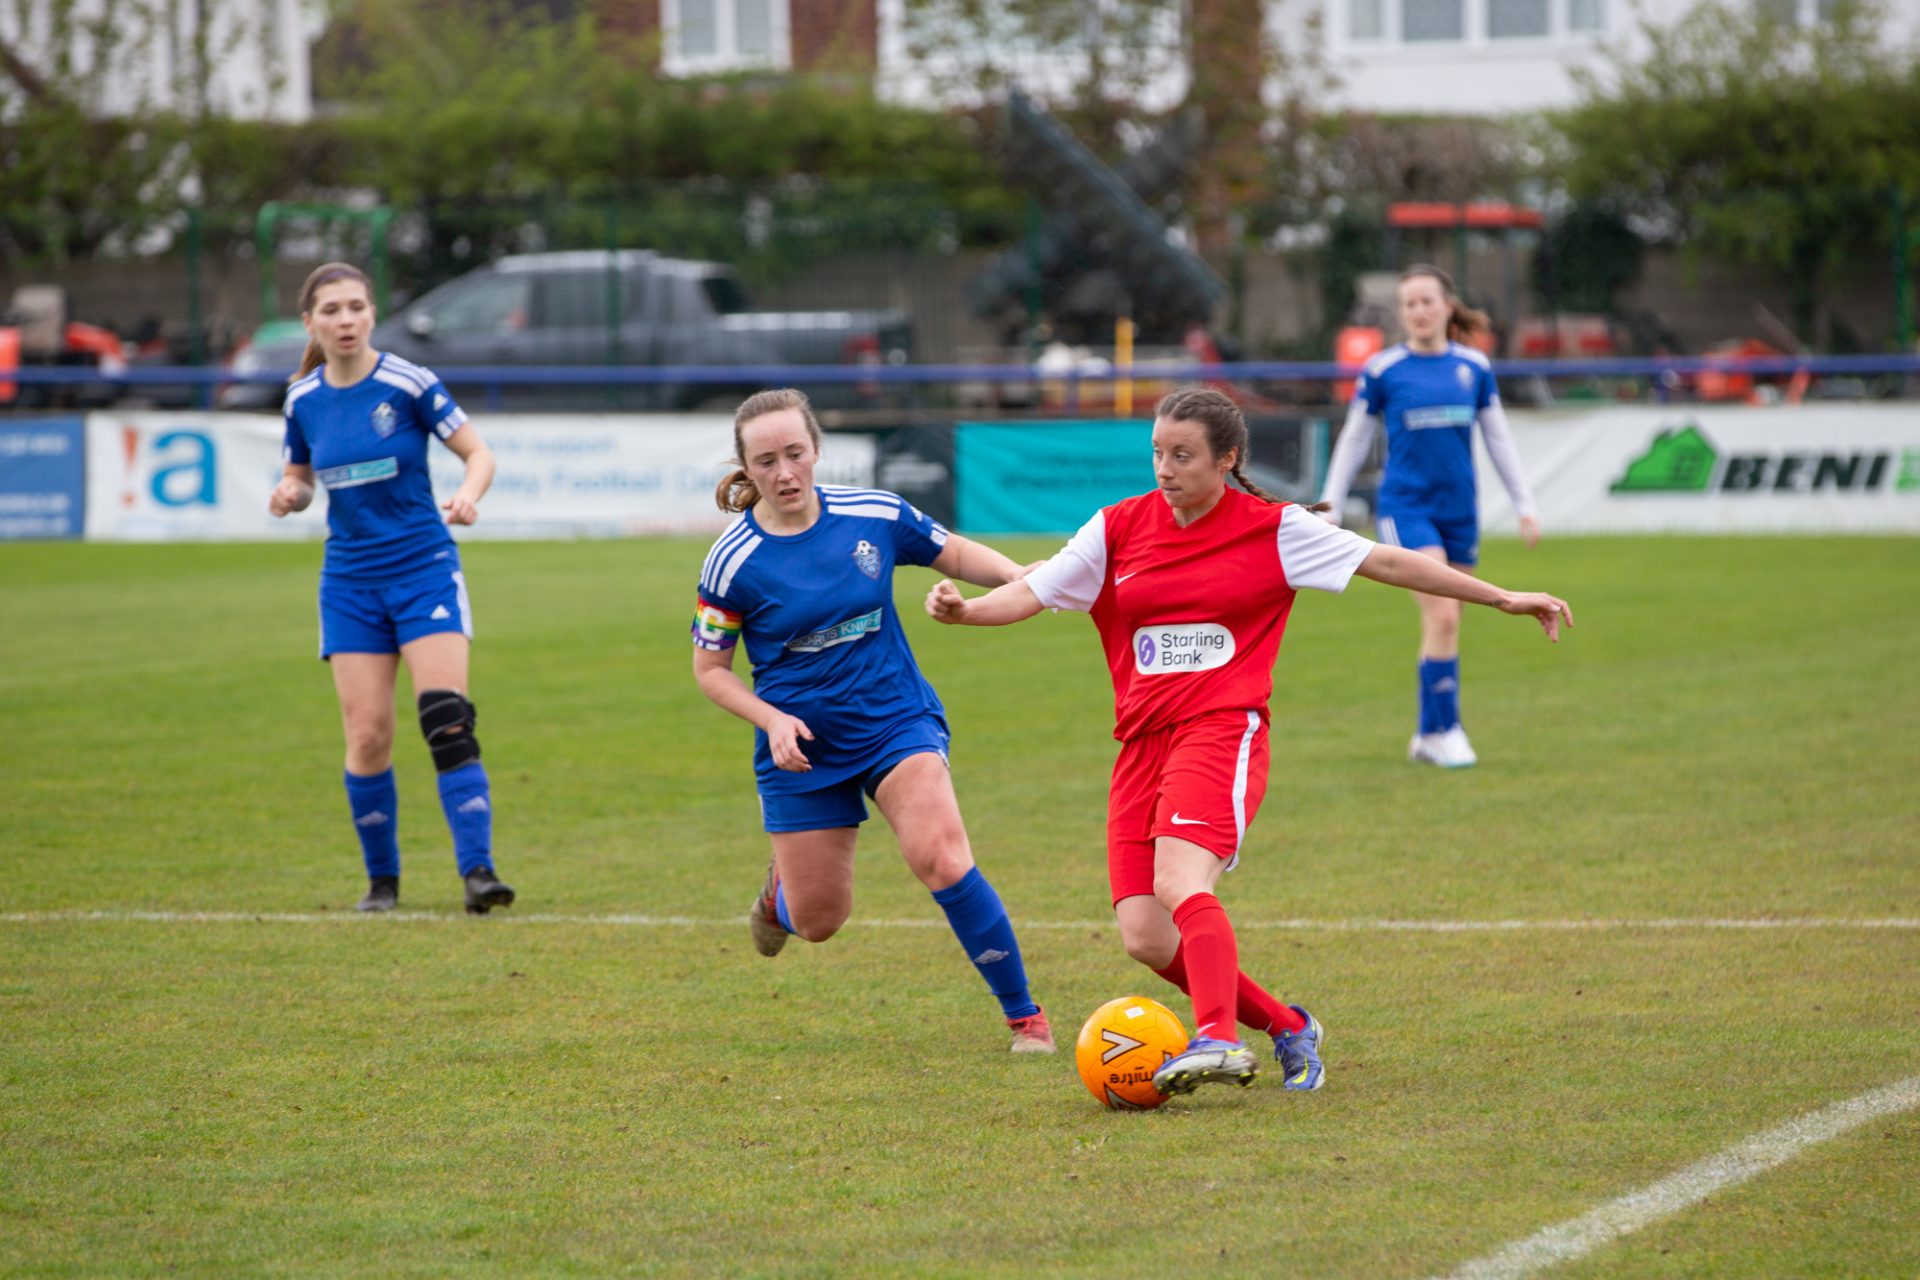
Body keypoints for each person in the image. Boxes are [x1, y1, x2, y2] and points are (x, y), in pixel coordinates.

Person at [926, 386, 1570, 1096]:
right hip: (1141, 742)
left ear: (1227, 458)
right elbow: (1033, 589)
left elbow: (1387, 562)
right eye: (1157, 453)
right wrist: (966, 611)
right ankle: (1289, 1026)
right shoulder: (1117, 527)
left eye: (1183, 456)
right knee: (1145, 935)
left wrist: (1501, 597)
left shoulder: (1275, 529)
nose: (1164, 469)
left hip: (1221, 729)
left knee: (1180, 881)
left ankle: (1217, 1037)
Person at [692, 388, 1055, 1054]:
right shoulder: (731, 561)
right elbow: (711, 669)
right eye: (767, 462)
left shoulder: (874, 513)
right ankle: (777, 899)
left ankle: (1024, 1017)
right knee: (820, 920)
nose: (785, 473)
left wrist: (1014, 576)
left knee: (941, 856)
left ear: (817, 448)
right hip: (802, 746)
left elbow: (950, 550)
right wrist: (772, 721)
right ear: (747, 468)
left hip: (895, 718)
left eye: (795, 454)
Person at [267, 261, 514, 916]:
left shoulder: (410, 382)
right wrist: (290, 494)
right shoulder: (302, 399)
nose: (345, 320)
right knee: (369, 734)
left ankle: (479, 872)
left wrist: (468, 494)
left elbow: (479, 453)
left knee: (445, 716)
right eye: (331, 310)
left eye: (356, 306)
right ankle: (382, 882)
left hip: (423, 568)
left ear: (372, 313)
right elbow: (300, 478)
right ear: (310, 323)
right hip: (350, 583)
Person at [1318, 264, 1542, 768]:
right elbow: (1354, 439)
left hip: (1459, 511)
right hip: (1407, 508)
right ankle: (1446, 731)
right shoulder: (1383, 370)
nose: (1419, 310)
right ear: (1402, 313)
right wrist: (1331, 504)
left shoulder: (1473, 367)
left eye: (1427, 301)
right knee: (1441, 614)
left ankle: (1426, 734)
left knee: (1448, 620)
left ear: (1447, 305)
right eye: (1410, 304)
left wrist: (1524, 503)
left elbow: (1498, 438)